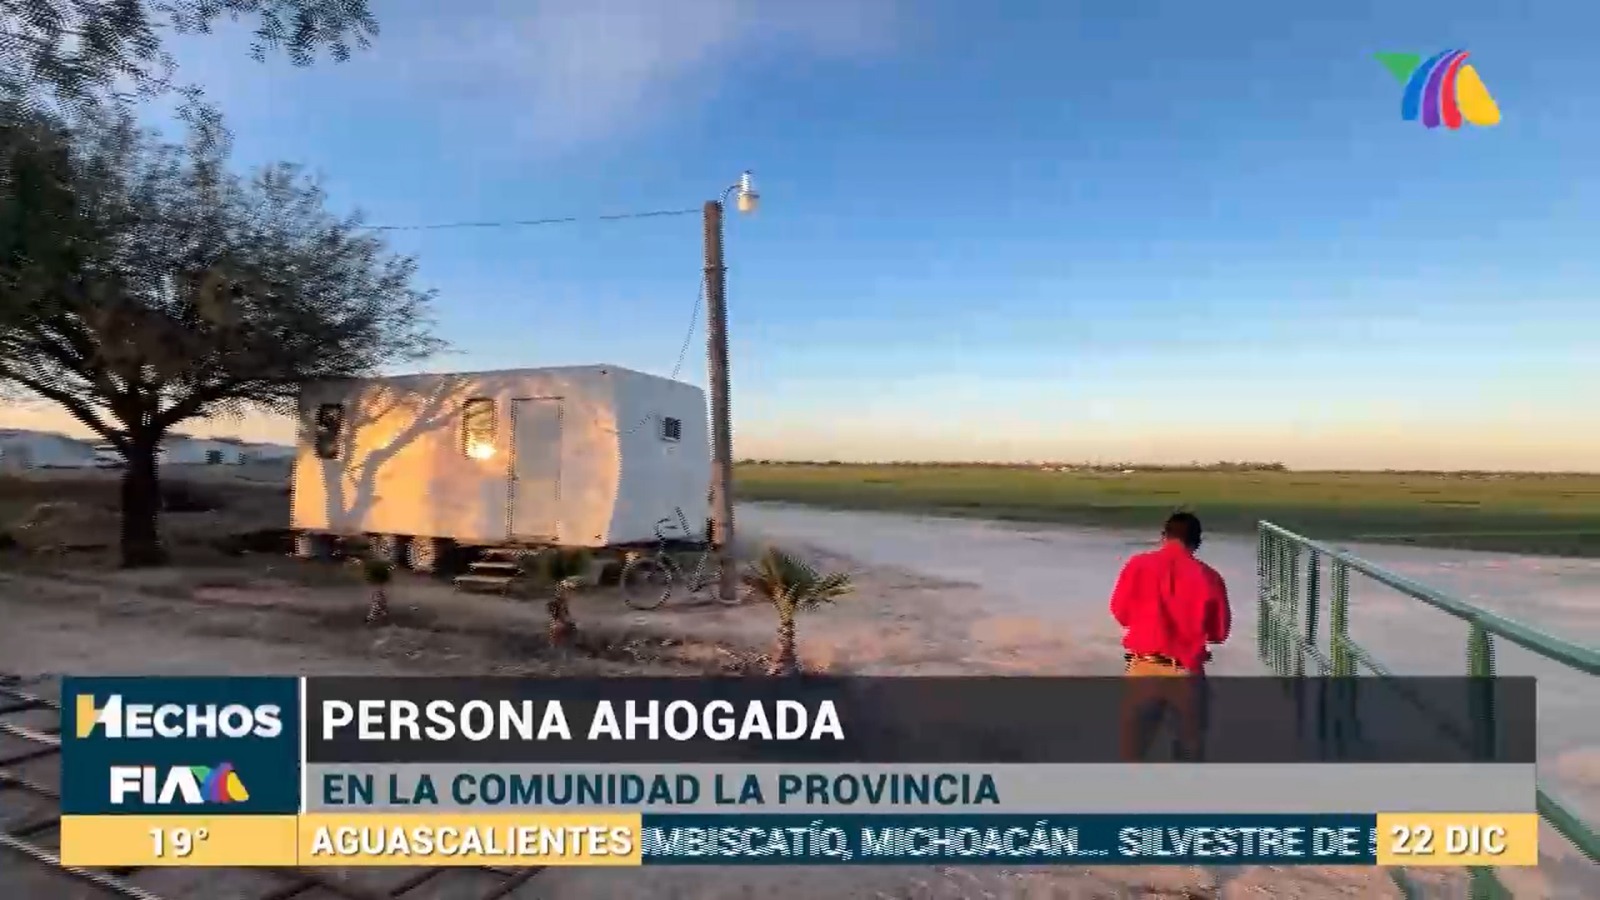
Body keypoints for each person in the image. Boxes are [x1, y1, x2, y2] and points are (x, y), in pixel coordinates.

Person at [1110, 511, 1231, 760]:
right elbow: (1219, 633)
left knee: (1132, 755)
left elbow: (1120, 613)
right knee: (1189, 754)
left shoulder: (1137, 565)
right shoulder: (1210, 577)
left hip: (1143, 668)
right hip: (1185, 674)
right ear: (1197, 542)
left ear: (1163, 536)